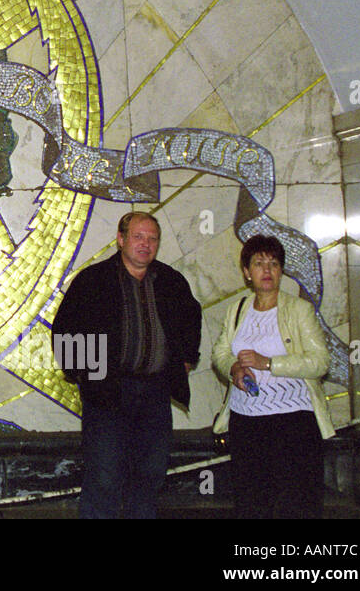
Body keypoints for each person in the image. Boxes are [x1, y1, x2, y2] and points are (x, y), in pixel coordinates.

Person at [53, 212, 201, 518]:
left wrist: (185, 360)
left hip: (155, 395)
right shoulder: (92, 280)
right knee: (104, 476)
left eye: (152, 238)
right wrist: (85, 374)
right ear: (121, 239)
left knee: (150, 475)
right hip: (107, 395)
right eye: (138, 236)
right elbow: (64, 330)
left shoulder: (172, 282)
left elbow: (191, 320)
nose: (145, 244)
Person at [212, 234, 332, 518]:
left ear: (281, 271)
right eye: (258, 263)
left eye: (274, 264)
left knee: (296, 503)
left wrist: (270, 363)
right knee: (252, 502)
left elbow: (320, 362)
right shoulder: (237, 309)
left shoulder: (299, 310)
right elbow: (219, 353)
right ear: (246, 273)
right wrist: (234, 368)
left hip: (292, 423)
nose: (267, 270)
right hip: (246, 422)